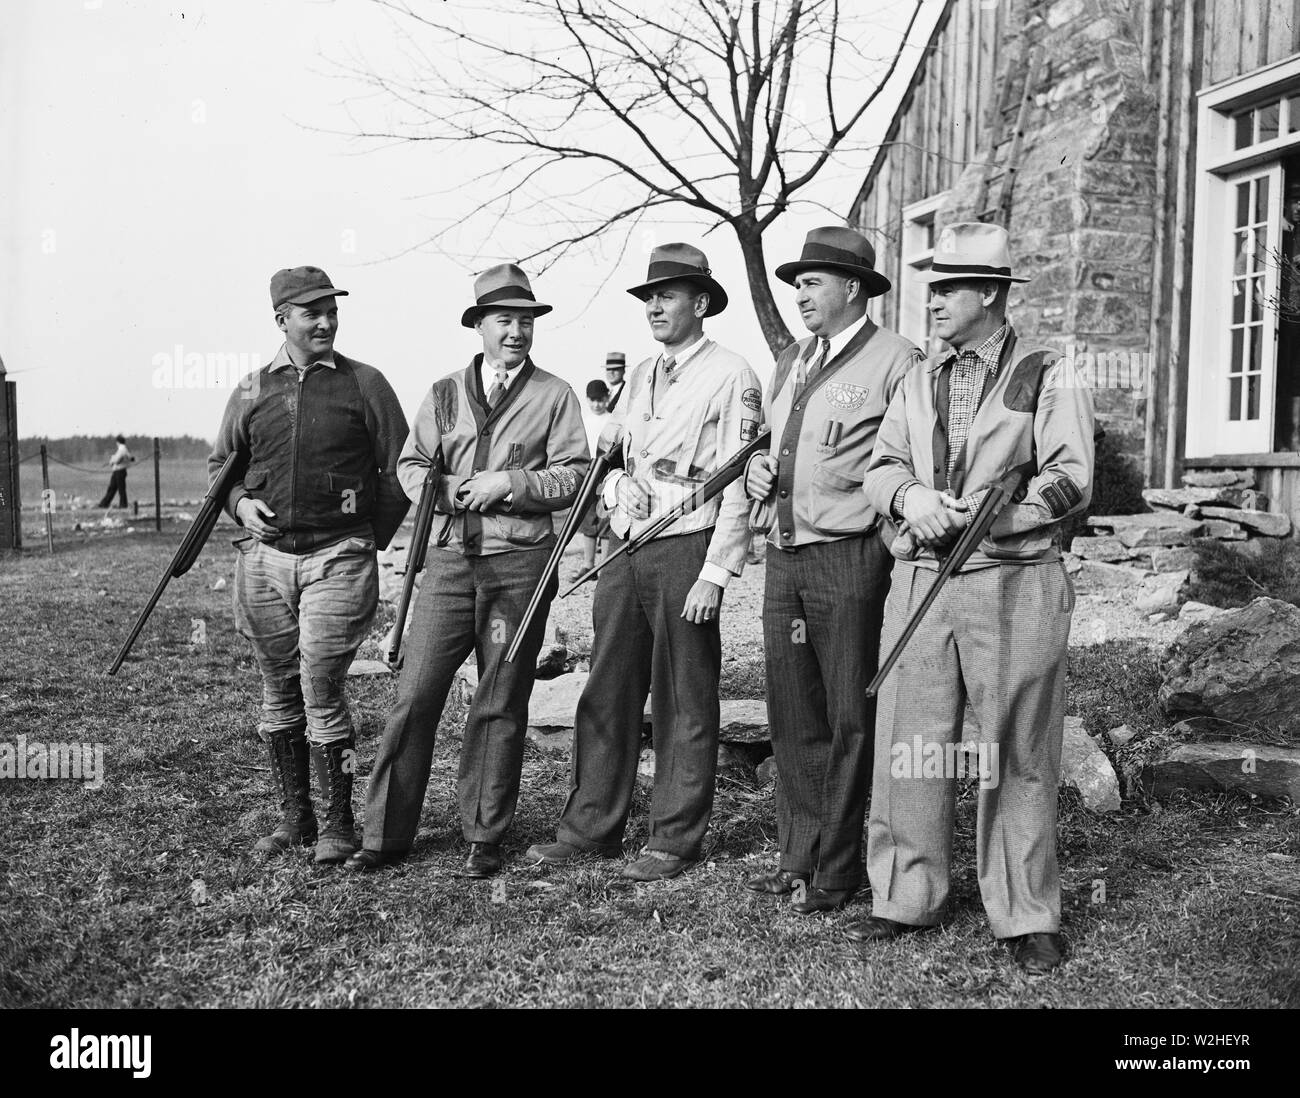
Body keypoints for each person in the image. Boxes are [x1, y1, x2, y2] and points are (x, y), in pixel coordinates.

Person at [853, 222, 1095, 975]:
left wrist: (999, 518)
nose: (932, 303)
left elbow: (1071, 477)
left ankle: (1025, 914)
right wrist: (913, 498)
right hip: (922, 576)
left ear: (988, 295)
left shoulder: (1050, 371)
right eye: (931, 289)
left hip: (1013, 579)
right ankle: (905, 895)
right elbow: (881, 462)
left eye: (948, 289)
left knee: (1016, 743)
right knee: (908, 739)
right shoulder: (919, 372)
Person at [345, 263, 589, 879]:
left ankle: (484, 834)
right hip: (451, 563)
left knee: (499, 699)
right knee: (415, 692)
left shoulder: (555, 395)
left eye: (527, 320)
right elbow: (412, 465)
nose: (517, 332)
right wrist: (456, 490)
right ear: (479, 325)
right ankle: (384, 834)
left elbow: (575, 474)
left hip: (520, 567)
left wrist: (511, 483)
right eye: (504, 319)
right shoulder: (445, 392)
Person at [527, 243, 761, 881]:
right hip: (627, 546)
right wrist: (609, 489)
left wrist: (716, 572)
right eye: (649, 297)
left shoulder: (733, 373)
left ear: (702, 303)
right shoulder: (639, 376)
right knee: (608, 686)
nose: (655, 306)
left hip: (688, 541)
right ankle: (590, 827)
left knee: (686, 695)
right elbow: (616, 457)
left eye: (669, 295)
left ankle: (674, 838)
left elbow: (738, 480)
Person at [743, 226, 923, 914]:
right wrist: (762, 466)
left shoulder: (896, 361)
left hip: (851, 559)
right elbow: (773, 443)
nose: (800, 296)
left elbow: (904, 458)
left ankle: (839, 870)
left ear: (852, 289)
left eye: (812, 283)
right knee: (793, 714)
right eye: (796, 284)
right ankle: (799, 855)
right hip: (784, 559)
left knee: (850, 715)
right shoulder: (792, 360)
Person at [210, 265, 410, 864]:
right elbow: (222, 465)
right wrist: (241, 504)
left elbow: (401, 471)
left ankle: (339, 825)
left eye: (331, 311)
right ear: (282, 321)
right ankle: (296, 817)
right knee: (278, 690)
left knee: (321, 687)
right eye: (310, 313)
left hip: (337, 559)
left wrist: (363, 537)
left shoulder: (365, 384)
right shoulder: (250, 389)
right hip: (265, 562)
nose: (325, 322)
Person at [579, 378, 613, 569]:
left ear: (607, 398)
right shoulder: (584, 421)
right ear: (587, 400)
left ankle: (604, 566)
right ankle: (588, 565)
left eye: (600, 399)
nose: (596, 404)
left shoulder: (612, 420)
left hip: (605, 472)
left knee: (605, 516)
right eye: (592, 400)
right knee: (588, 516)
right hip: (587, 471)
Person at [97, 435, 135, 508]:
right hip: (119, 471)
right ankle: (104, 503)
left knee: (120, 489)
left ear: (118, 442)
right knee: (112, 488)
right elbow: (131, 458)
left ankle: (123, 505)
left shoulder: (121, 450)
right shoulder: (125, 449)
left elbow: (117, 460)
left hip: (119, 471)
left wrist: (112, 460)